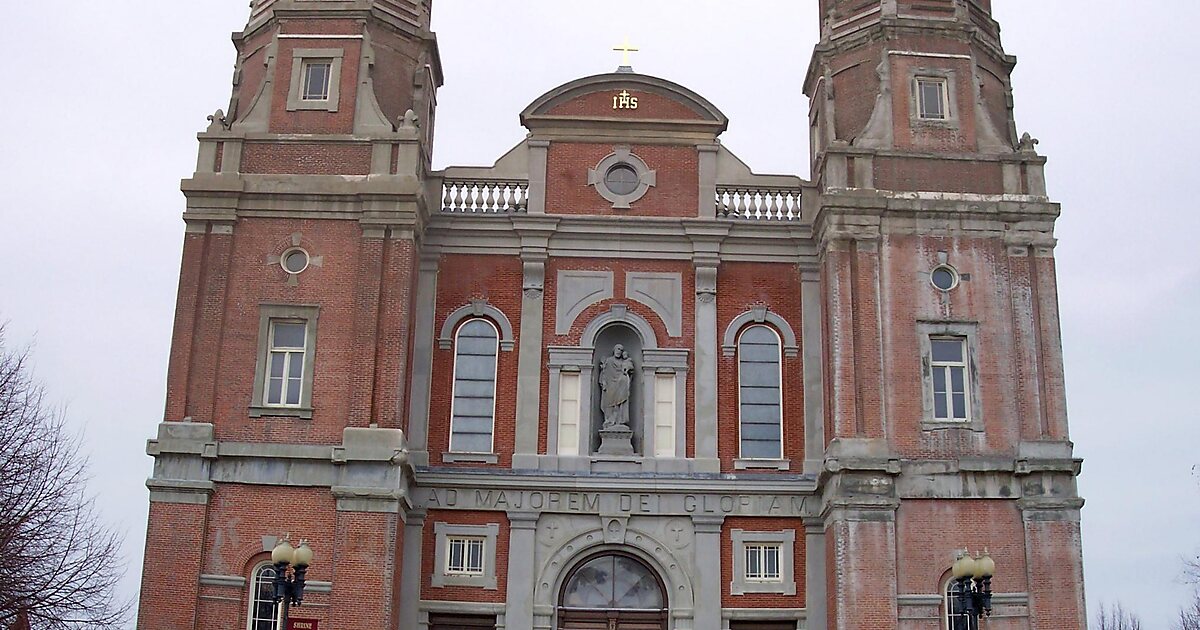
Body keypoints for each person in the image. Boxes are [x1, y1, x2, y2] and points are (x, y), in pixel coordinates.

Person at [598, 345, 634, 429]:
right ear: (614, 350)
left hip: (621, 386)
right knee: (609, 403)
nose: (619, 351)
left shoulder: (623, 362)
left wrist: (628, 368)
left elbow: (629, 368)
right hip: (610, 385)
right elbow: (604, 373)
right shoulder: (609, 361)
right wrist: (603, 382)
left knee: (620, 403)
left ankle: (619, 421)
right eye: (618, 349)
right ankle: (610, 420)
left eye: (621, 350)